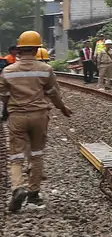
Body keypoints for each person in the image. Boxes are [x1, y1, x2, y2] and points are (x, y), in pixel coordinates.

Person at [0, 31, 72, 213]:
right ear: (36, 49)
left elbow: (3, 95)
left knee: (16, 156)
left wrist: (9, 105)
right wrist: (62, 108)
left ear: (19, 49)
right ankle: (34, 194)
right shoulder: (45, 69)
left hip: (17, 116)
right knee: (37, 154)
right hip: (39, 116)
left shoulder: (8, 71)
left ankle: (18, 188)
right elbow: (52, 93)